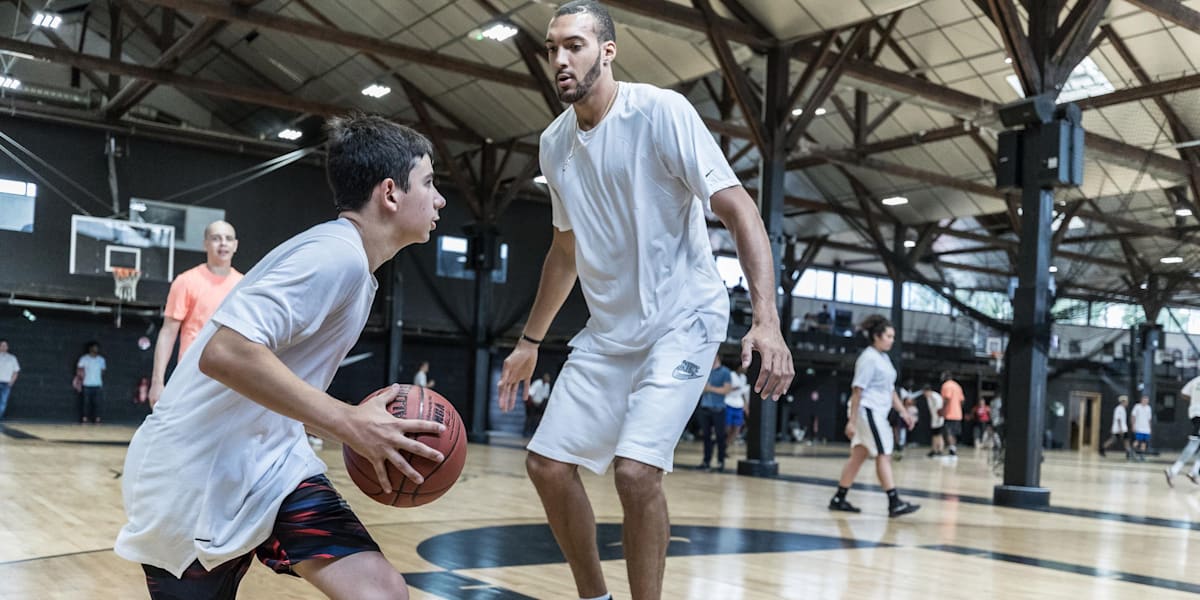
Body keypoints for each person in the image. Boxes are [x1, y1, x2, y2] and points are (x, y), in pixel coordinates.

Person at [495, 3, 793, 599]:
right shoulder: (554, 145)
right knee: (547, 466)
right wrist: (529, 343)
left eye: (574, 45)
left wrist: (767, 320)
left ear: (607, 51)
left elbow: (739, 209)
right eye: (552, 47)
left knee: (635, 473)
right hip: (610, 333)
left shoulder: (661, 112)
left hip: (683, 319)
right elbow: (564, 250)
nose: (559, 59)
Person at [115, 114, 449, 599]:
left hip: (273, 465)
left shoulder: (353, 262)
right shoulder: (334, 256)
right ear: (391, 193)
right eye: (429, 182)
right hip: (196, 474)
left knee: (381, 592)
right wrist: (349, 422)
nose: (439, 198)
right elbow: (224, 353)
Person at [828, 315, 919, 518]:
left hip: (876, 411)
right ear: (876, 336)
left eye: (893, 336)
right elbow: (857, 390)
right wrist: (851, 422)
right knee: (883, 455)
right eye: (888, 336)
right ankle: (894, 502)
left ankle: (839, 498)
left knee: (859, 455)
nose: (891, 340)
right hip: (868, 411)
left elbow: (890, 391)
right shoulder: (868, 358)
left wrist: (904, 412)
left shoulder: (884, 359)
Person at [149, 220, 242, 408]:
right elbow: (168, 333)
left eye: (228, 238)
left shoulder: (244, 285)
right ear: (205, 244)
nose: (223, 243)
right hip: (192, 376)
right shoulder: (185, 281)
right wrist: (157, 382)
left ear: (235, 245)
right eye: (216, 238)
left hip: (232, 378)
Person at [697, 356, 733, 471]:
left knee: (720, 436)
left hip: (719, 408)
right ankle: (706, 461)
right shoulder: (704, 370)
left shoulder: (725, 372)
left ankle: (720, 461)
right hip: (705, 407)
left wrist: (710, 388)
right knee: (706, 436)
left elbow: (726, 390)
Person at [1165, 377, 1200, 486]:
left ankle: (1194, 472)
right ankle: (1173, 470)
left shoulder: (1195, 380)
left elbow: (1183, 393)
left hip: (1194, 413)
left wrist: (1195, 400)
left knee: (1196, 442)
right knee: (1194, 443)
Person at [76, 341, 106, 424]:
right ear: (90, 348)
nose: (96, 349)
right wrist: (80, 378)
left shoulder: (101, 360)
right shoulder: (84, 358)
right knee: (86, 403)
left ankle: (97, 418)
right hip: (86, 384)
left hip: (97, 384)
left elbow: (103, 371)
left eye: (97, 348)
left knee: (97, 403)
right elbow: (79, 369)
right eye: (94, 347)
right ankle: (84, 418)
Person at [725, 364, 749, 452]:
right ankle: (722, 444)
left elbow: (742, 393)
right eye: (744, 367)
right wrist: (733, 388)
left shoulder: (744, 378)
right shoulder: (731, 375)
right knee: (727, 428)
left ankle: (726, 446)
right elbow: (724, 388)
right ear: (739, 367)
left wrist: (746, 406)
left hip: (739, 404)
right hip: (729, 402)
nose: (745, 370)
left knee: (737, 428)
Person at [940, 371, 965, 455]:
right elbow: (962, 401)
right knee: (954, 433)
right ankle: (953, 448)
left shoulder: (946, 385)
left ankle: (951, 450)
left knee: (948, 432)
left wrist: (942, 410)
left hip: (949, 413)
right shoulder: (958, 386)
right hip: (958, 414)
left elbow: (947, 399)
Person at [1100, 395, 1130, 459]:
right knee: (1113, 440)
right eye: (1126, 402)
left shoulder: (1122, 409)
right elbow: (1118, 419)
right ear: (1123, 402)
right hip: (1119, 429)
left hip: (1122, 428)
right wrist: (1120, 429)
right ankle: (1102, 448)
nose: (1127, 403)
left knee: (1126, 440)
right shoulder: (1119, 409)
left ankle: (1128, 452)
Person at [525, 373, 552, 437]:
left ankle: (534, 432)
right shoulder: (537, 383)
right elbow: (530, 393)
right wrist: (532, 403)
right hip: (532, 403)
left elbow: (545, 396)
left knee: (537, 419)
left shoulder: (547, 385)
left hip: (539, 404)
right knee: (530, 418)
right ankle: (526, 431)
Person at [924, 386, 946, 457]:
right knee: (934, 435)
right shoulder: (928, 398)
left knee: (939, 435)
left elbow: (940, 409)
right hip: (934, 419)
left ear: (929, 391)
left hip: (939, 418)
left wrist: (938, 419)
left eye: (925, 393)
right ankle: (934, 450)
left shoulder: (936, 397)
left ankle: (940, 450)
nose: (925, 394)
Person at [0, 339, 19, 420]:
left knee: (3, 402)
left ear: (7, 347)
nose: (4, 347)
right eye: (2, 345)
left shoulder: (12, 358)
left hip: (6, 383)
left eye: (5, 345)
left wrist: (11, 382)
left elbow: (16, 371)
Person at [1130, 394, 1152, 461]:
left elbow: (1149, 419)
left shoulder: (1148, 408)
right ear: (1141, 400)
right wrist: (1133, 425)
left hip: (1146, 429)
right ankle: (1132, 453)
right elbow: (1133, 416)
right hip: (1139, 428)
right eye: (1144, 400)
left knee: (1144, 442)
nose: (1145, 401)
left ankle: (1142, 456)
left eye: (1147, 400)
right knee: (1137, 441)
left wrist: (1150, 428)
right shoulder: (1137, 407)